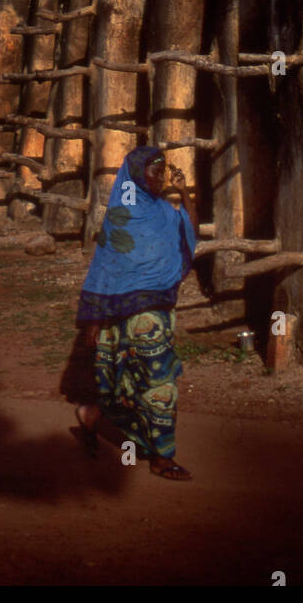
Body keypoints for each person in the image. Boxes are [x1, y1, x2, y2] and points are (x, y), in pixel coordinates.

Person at [73, 146, 198, 480]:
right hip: (126, 313)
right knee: (159, 383)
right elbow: (105, 269)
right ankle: (161, 457)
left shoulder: (163, 211)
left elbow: (189, 232)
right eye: (153, 172)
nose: (159, 178)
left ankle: (90, 415)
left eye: (163, 172)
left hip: (158, 308)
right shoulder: (122, 216)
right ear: (136, 175)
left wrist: (184, 192)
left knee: (127, 381)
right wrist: (95, 320)